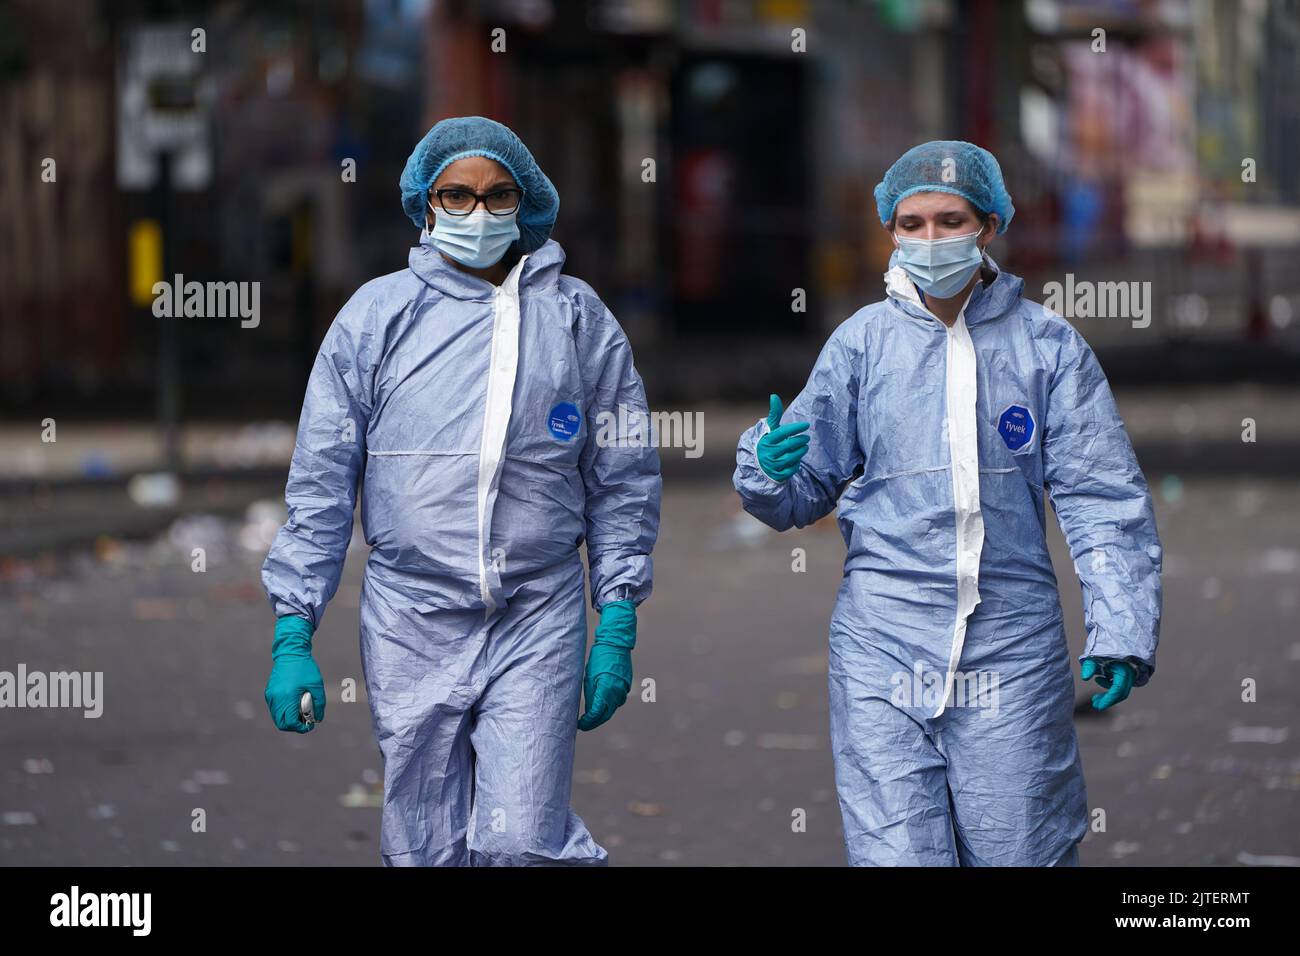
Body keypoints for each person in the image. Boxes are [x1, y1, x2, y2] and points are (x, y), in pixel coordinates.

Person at [733, 140, 1162, 867]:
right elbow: (804, 491)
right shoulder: (861, 347)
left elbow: (1100, 496)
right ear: (891, 231)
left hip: (1012, 650)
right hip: (882, 648)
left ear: (989, 226)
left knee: (1021, 850)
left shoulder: (1048, 349)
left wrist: (1121, 624)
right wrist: (769, 470)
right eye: (912, 224)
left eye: (949, 220)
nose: (929, 240)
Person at [261, 116, 662, 866]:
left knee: (520, 842)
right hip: (410, 615)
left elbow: (622, 478)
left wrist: (616, 621)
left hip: (537, 613)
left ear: (528, 203)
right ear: (426, 204)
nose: (478, 213)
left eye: (497, 195)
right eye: (457, 196)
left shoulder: (578, 320)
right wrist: (294, 630)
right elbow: (321, 483)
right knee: (425, 850)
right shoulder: (375, 318)